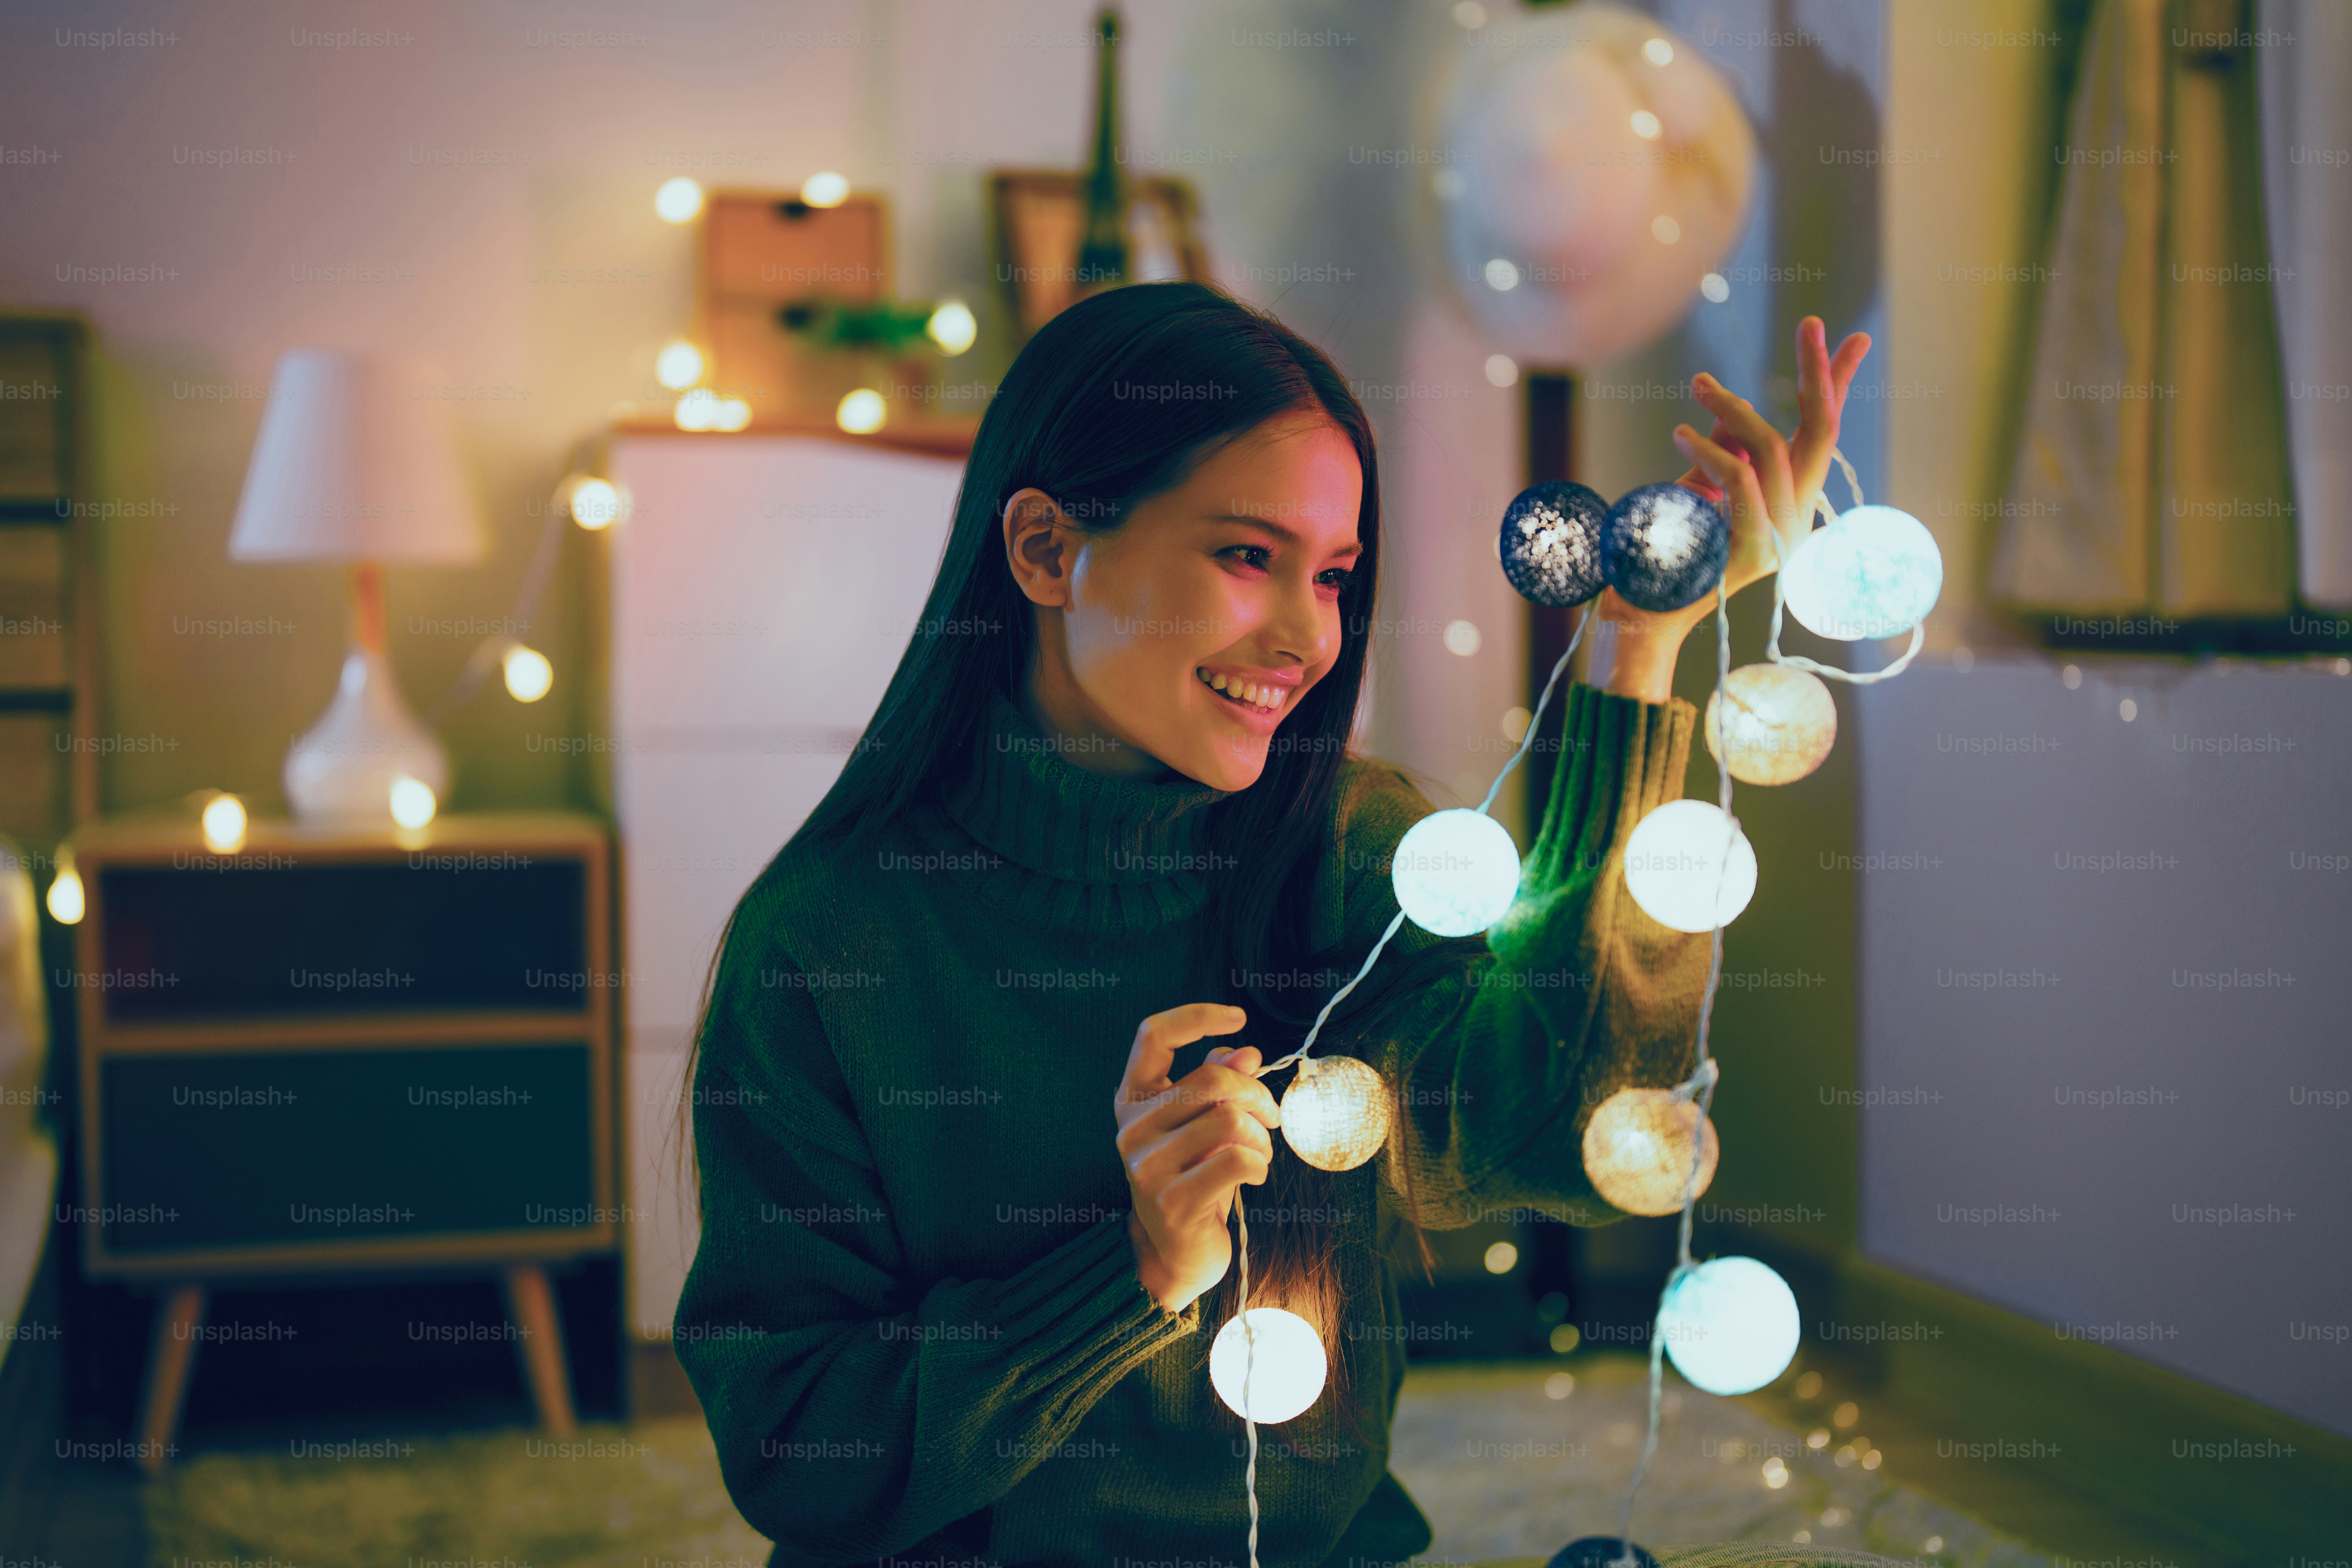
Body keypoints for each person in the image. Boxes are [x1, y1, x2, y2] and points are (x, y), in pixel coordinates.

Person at [675, 280, 1868, 1568]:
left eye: (1336, 575)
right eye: (1247, 555)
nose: (1308, 635)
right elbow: (799, 1453)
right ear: (1041, 550)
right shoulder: (826, 945)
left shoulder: (1351, 856)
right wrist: (1132, 1271)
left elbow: (1571, 1130)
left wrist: (1637, 653)